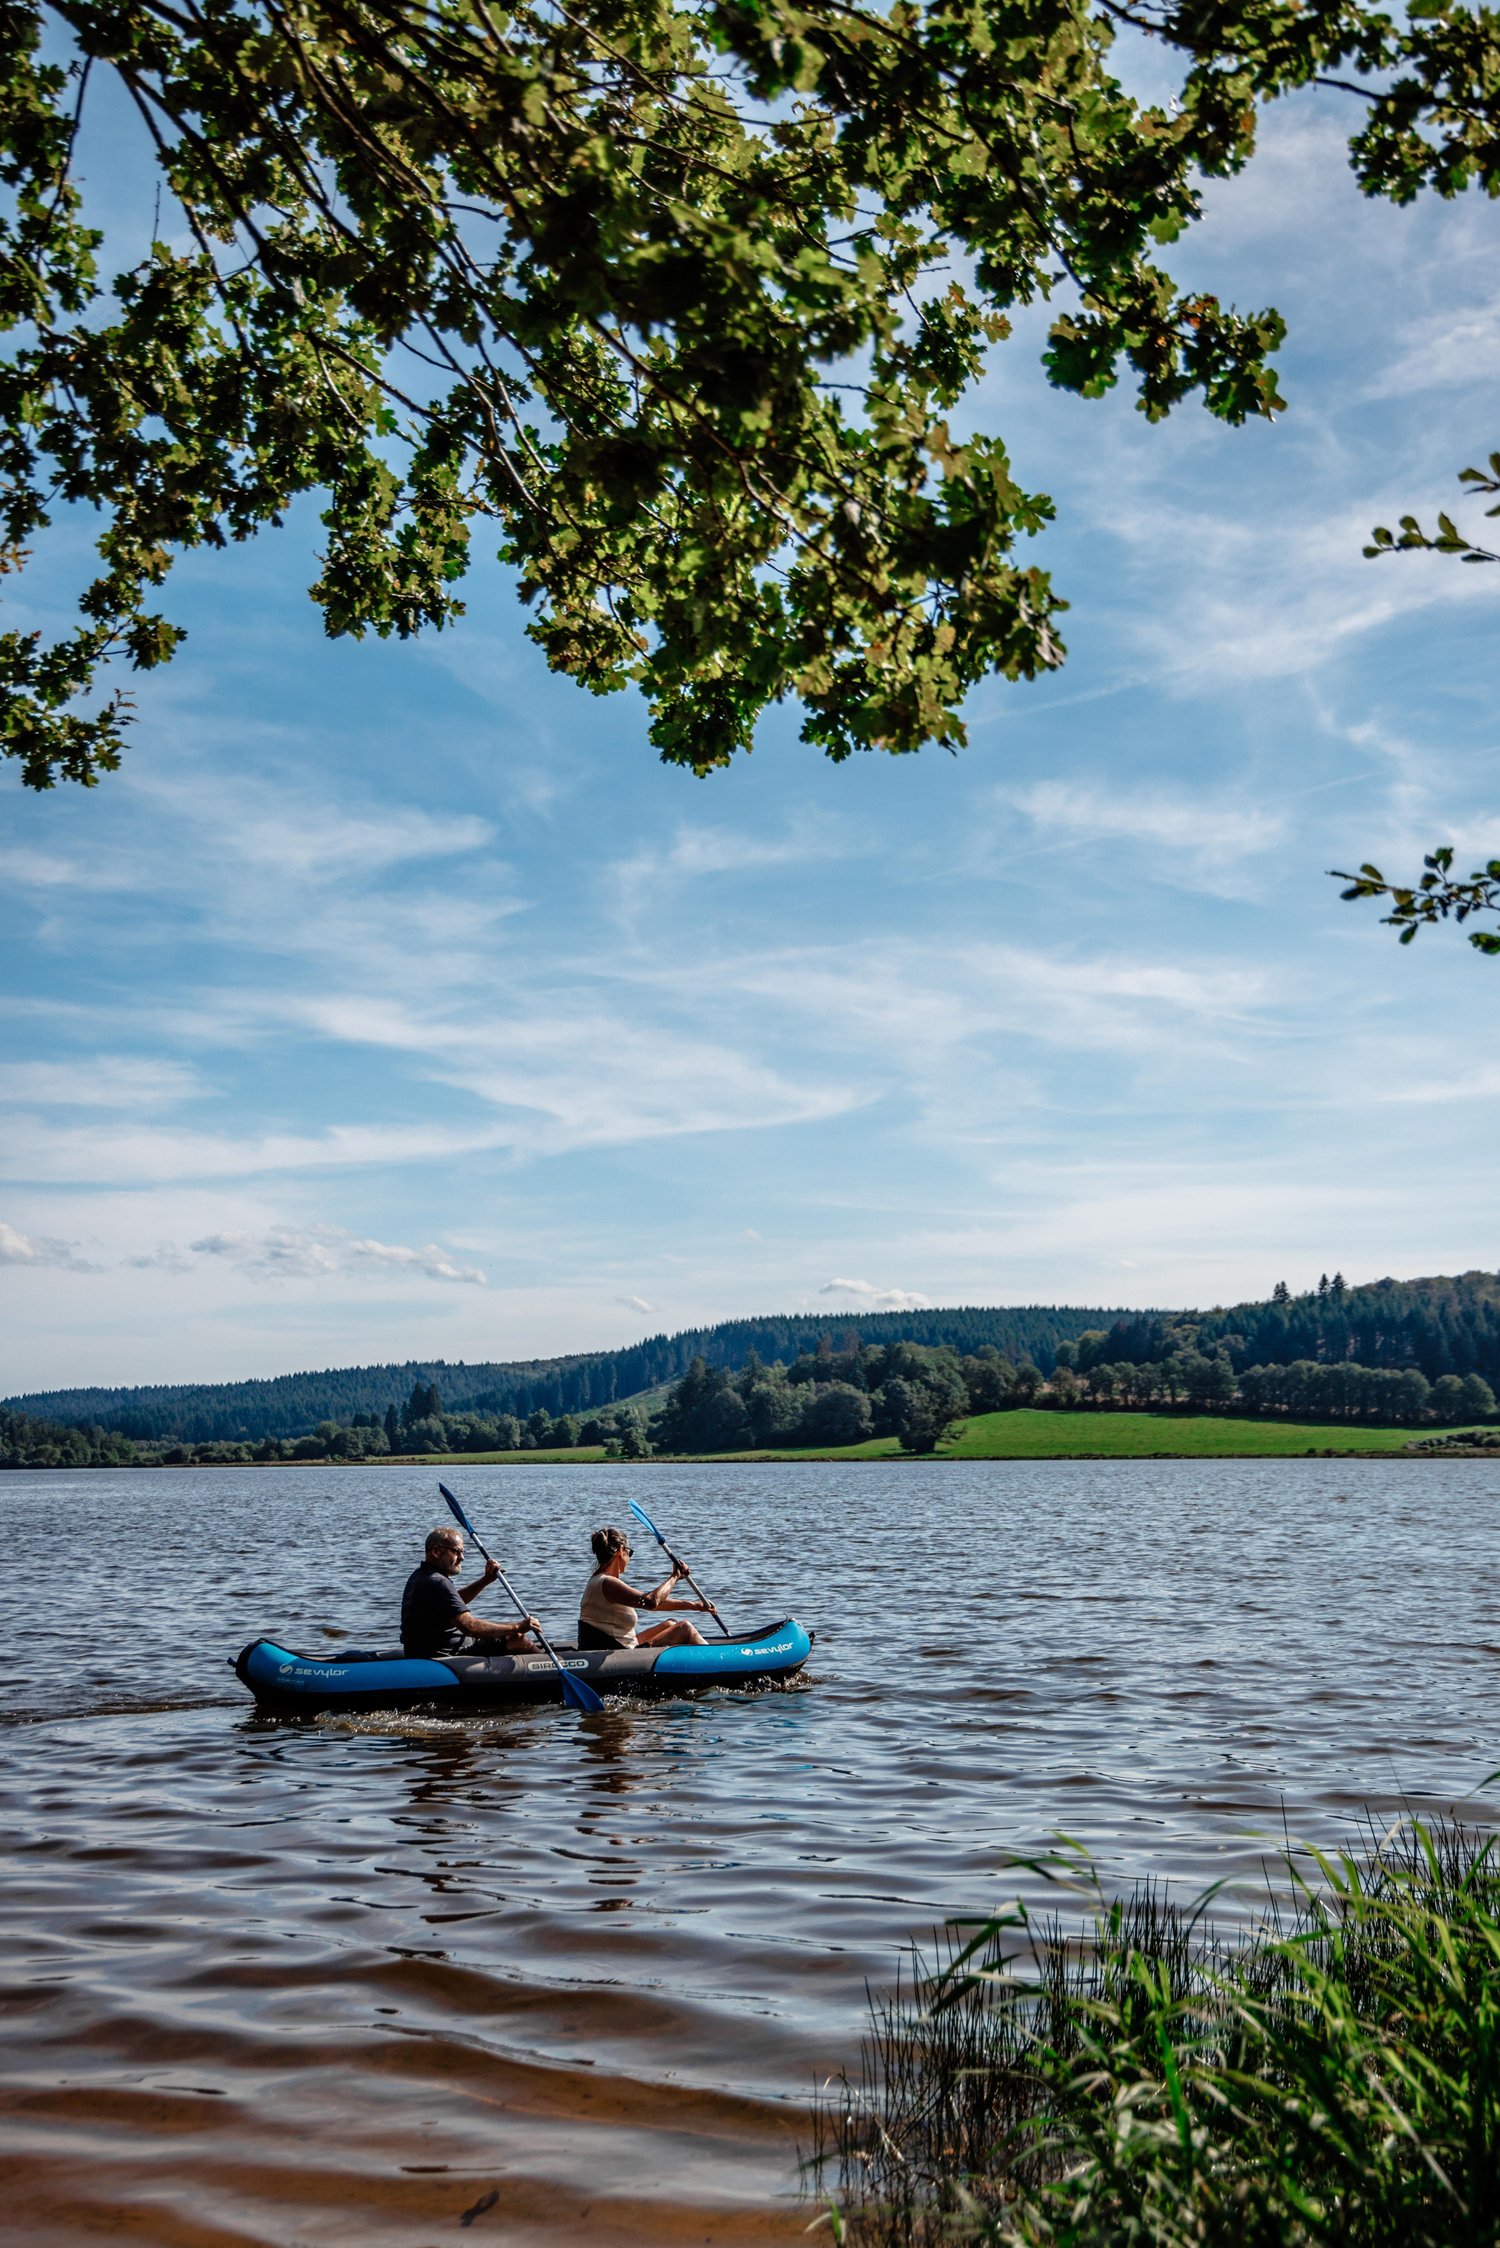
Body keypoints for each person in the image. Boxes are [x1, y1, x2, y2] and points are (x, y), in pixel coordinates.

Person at [401, 1526, 541, 1657]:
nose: (462, 1558)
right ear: (436, 1551)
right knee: (516, 1638)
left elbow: (453, 1601)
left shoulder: (419, 1576)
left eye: (462, 1552)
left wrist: (485, 1580)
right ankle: (551, 1671)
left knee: (501, 1636)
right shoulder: (437, 1582)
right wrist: (517, 1627)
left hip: (434, 1650)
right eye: (456, 1552)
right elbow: (469, 1626)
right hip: (447, 1655)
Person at [578, 1524, 717, 1650]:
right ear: (621, 1551)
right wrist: (674, 1577)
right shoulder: (608, 1583)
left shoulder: (598, 1581)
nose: (630, 1558)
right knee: (685, 1628)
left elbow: (648, 1602)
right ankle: (718, 1662)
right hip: (622, 1652)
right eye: (630, 1553)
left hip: (619, 1644)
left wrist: (692, 1605)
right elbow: (651, 1601)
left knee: (670, 1624)